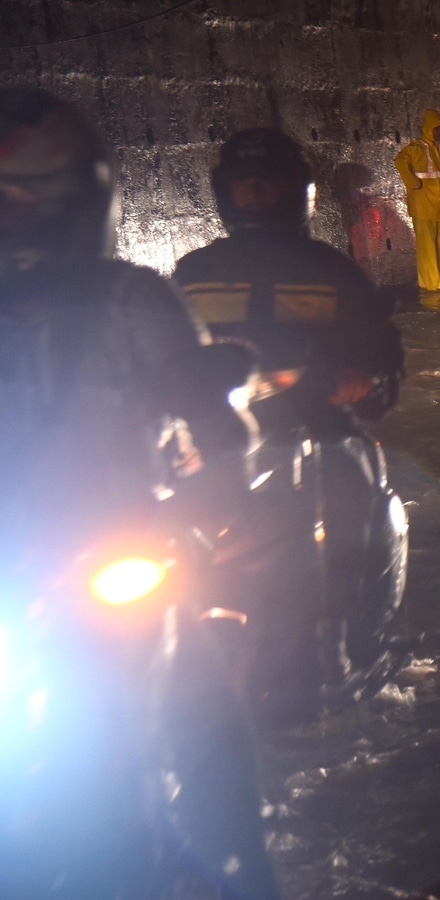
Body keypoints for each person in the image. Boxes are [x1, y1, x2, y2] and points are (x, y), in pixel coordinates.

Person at [0, 87, 279, 900]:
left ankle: (243, 877)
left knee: (207, 727)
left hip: (116, 564)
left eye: (33, 199)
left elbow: (218, 435)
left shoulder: (134, 303)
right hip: (11, 566)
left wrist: (209, 503)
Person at [174, 127, 407, 721]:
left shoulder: (337, 274)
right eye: (244, 183)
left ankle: (354, 635)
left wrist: (363, 381)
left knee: (354, 495)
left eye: (268, 182)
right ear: (225, 192)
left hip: (318, 431)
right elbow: (160, 359)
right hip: (216, 440)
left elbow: (384, 362)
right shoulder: (193, 273)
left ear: (294, 193)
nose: (255, 193)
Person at [394, 107, 440, 300]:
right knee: (426, 248)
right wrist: (413, 183)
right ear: (429, 128)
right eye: (437, 128)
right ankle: (431, 289)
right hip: (422, 204)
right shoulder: (416, 147)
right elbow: (400, 161)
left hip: (439, 205)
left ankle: (430, 281)